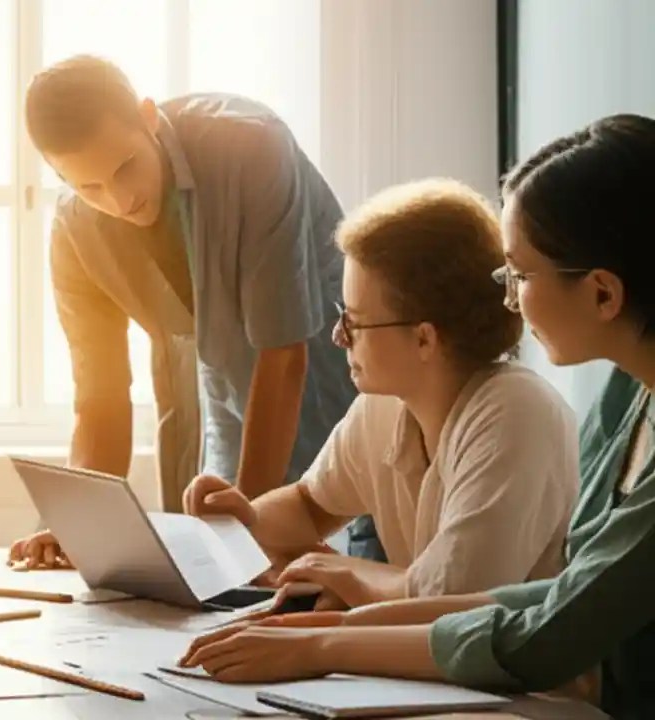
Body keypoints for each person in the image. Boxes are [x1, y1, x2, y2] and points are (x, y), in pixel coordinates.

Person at [179, 114, 655, 720]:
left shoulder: (519, 409)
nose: (509, 294)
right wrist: (333, 625)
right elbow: (559, 597)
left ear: (603, 294)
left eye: (522, 274)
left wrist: (325, 642)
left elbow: (547, 634)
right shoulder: (626, 397)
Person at [9, 56, 369, 569]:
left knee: (341, 562)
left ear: (149, 117)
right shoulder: (73, 232)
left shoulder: (252, 146)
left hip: (337, 364)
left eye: (125, 166)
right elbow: (100, 397)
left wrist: (253, 524)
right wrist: (75, 524)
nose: (119, 198)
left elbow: (284, 354)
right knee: (221, 571)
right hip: (223, 385)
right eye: (90, 188)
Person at [179, 179, 577, 608]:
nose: (338, 337)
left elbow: (450, 598)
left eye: (354, 322)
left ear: (424, 339)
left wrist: (340, 573)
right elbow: (310, 506)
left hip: (512, 672)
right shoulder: (383, 407)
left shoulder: (515, 414)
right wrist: (246, 521)